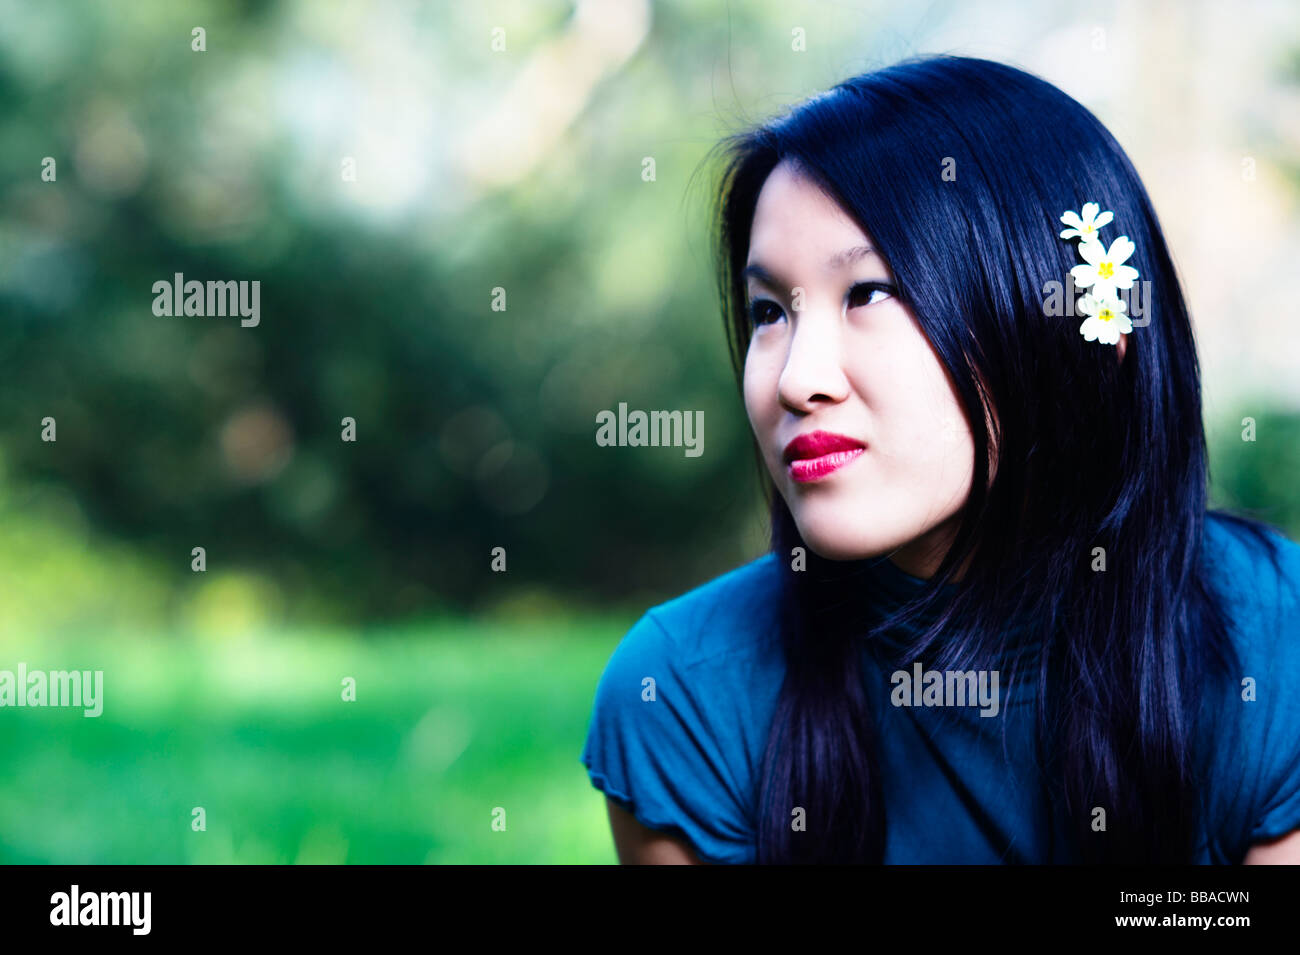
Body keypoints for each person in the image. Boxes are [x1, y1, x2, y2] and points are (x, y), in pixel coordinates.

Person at [580, 55, 1300, 864]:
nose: (796, 378)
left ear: (1063, 318)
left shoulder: (1271, 643)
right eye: (768, 311)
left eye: (868, 293)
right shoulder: (683, 693)